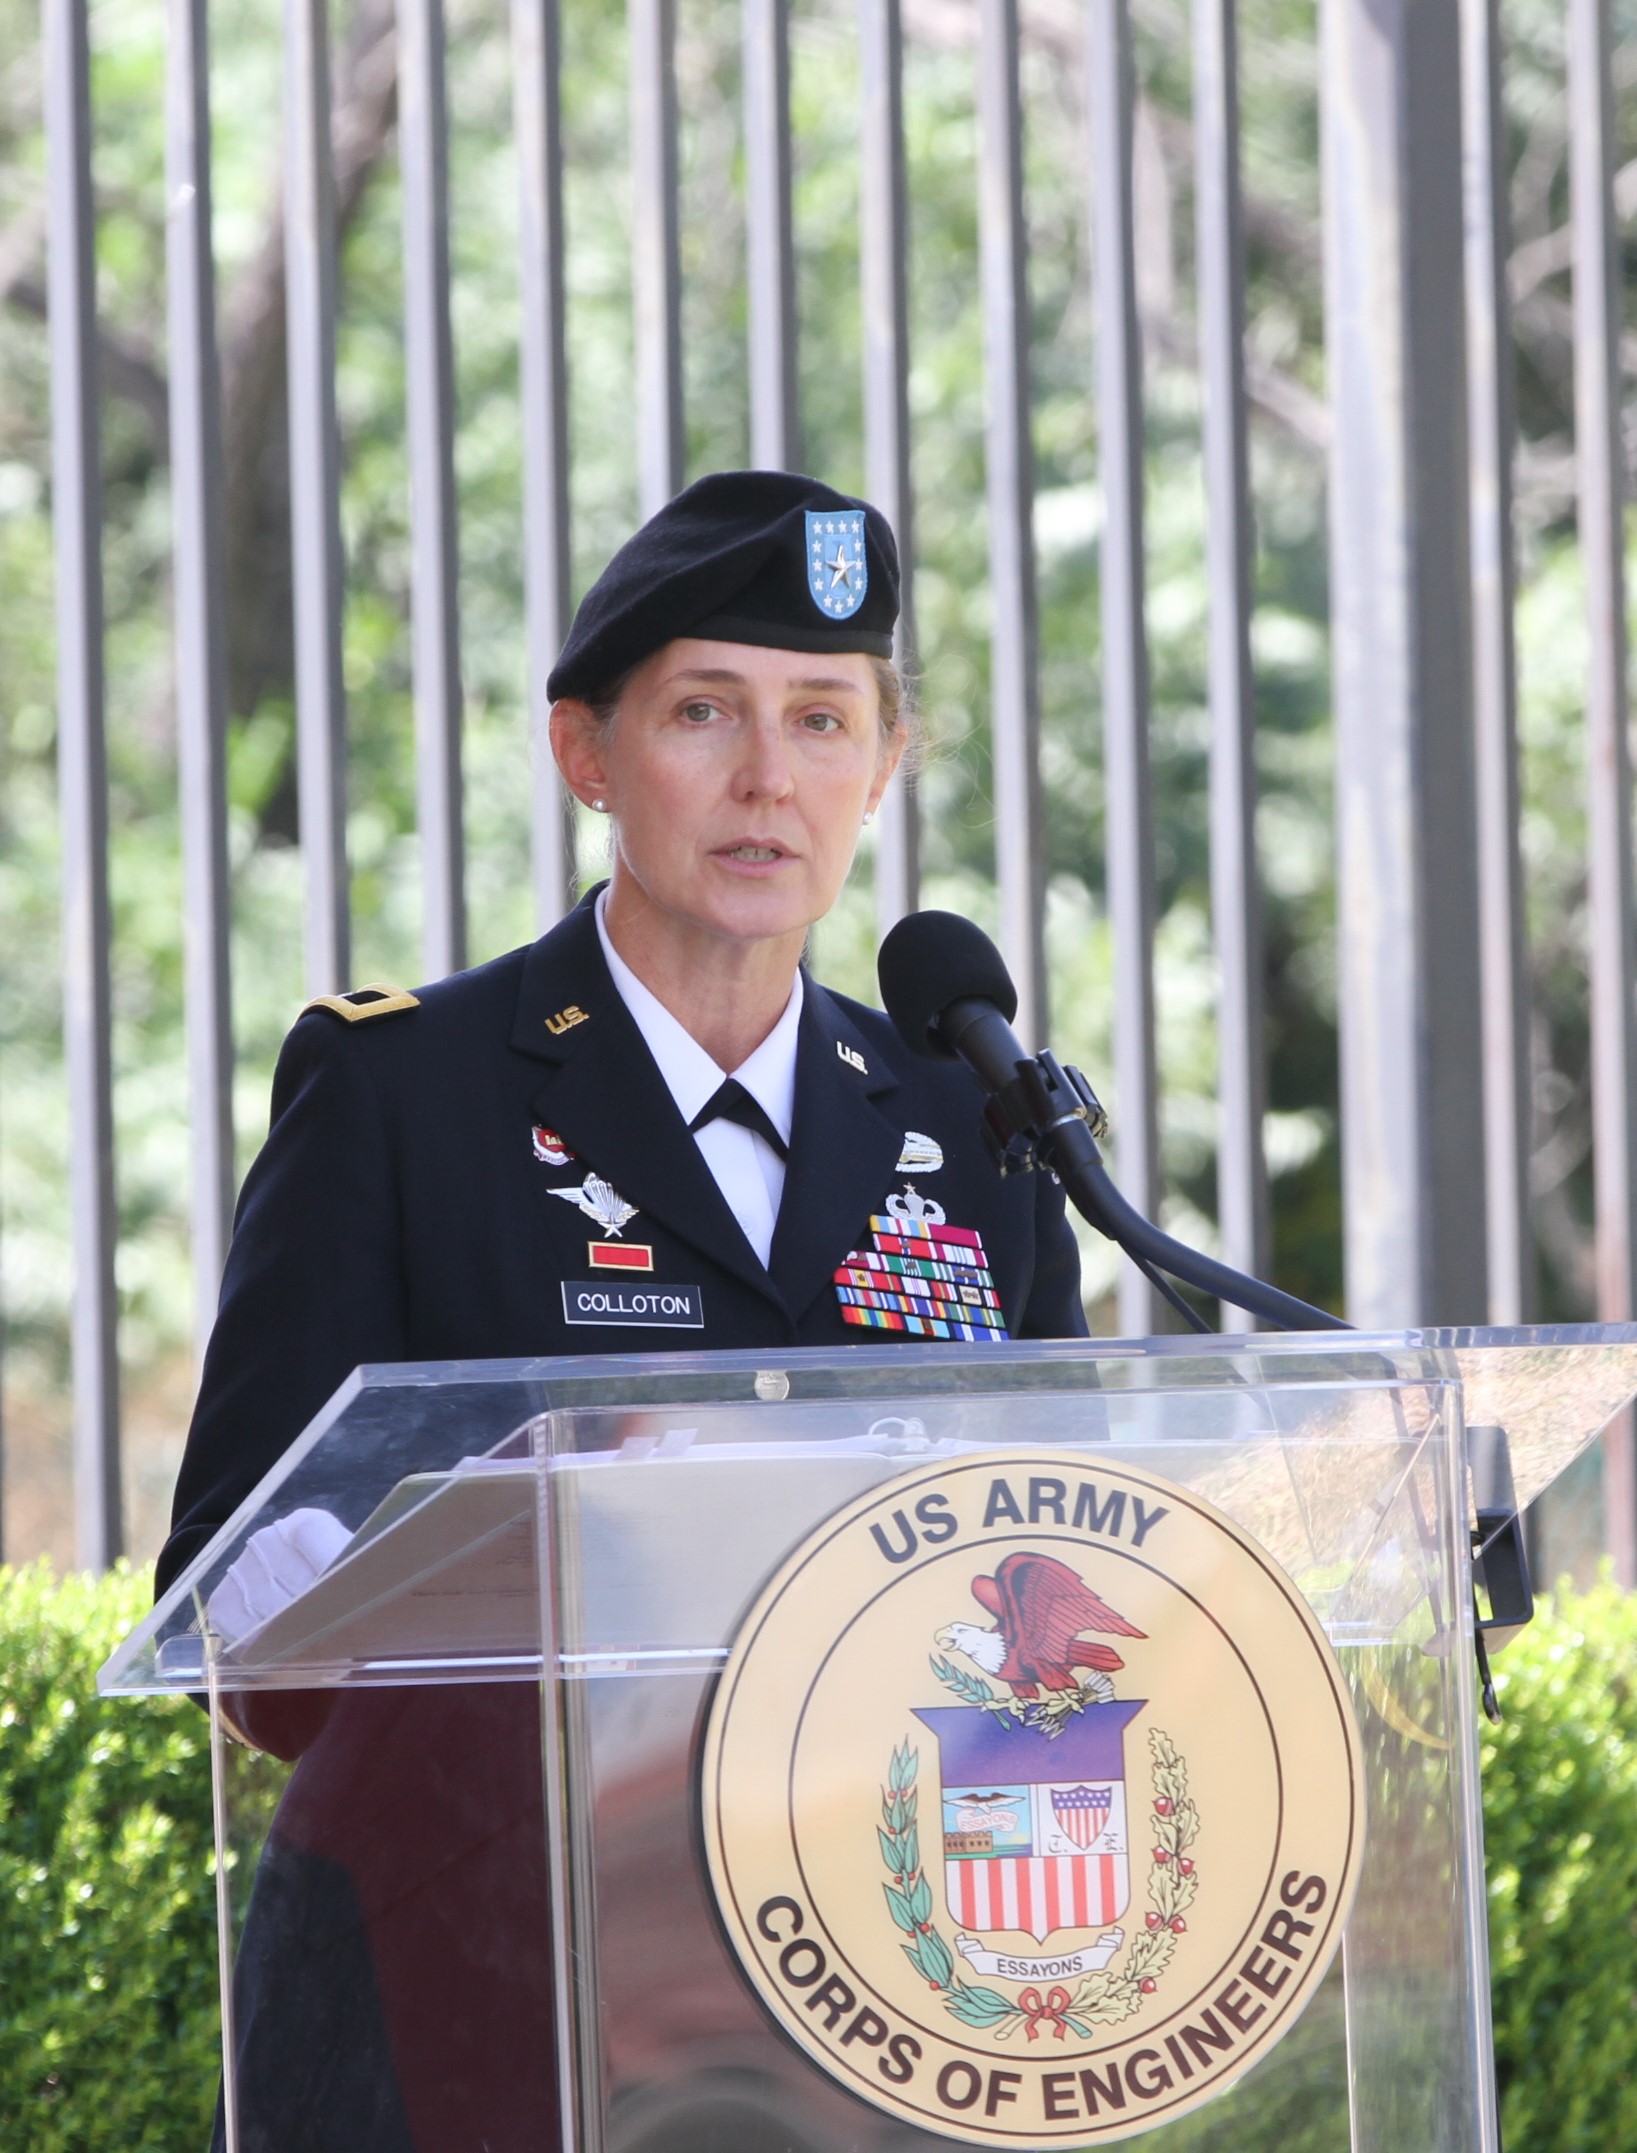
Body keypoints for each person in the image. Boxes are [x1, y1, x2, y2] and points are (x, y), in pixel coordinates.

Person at [159, 469, 1087, 2151]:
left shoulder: (975, 1125)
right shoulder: (406, 1092)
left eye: (822, 719)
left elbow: (1059, 1550)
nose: (767, 776)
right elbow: (234, 1580)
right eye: (703, 711)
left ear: (883, 766)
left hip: (872, 2015)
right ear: (586, 754)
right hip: (462, 2000)